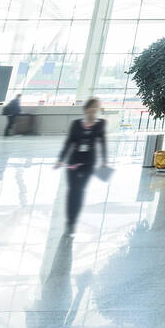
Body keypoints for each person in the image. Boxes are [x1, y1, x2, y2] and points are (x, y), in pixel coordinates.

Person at [54, 98, 109, 236]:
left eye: (96, 108)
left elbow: (103, 142)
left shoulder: (100, 124)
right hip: (73, 162)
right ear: (86, 109)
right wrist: (61, 159)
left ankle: (73, 220)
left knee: (80, 190)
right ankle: (70, 221)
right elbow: (69, 142)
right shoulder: (76, 124)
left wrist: (104, 160)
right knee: (73, 190)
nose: (93, 111)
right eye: (91, 108)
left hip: (89, 163)